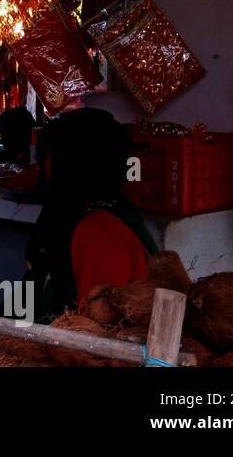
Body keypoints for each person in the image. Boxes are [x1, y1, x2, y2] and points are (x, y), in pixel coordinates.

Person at [24, 107, 157, 319]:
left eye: (48, 158)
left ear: (72, 163)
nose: (41, 168)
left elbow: (95, 334)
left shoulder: (98, 232)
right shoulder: (96, 209)